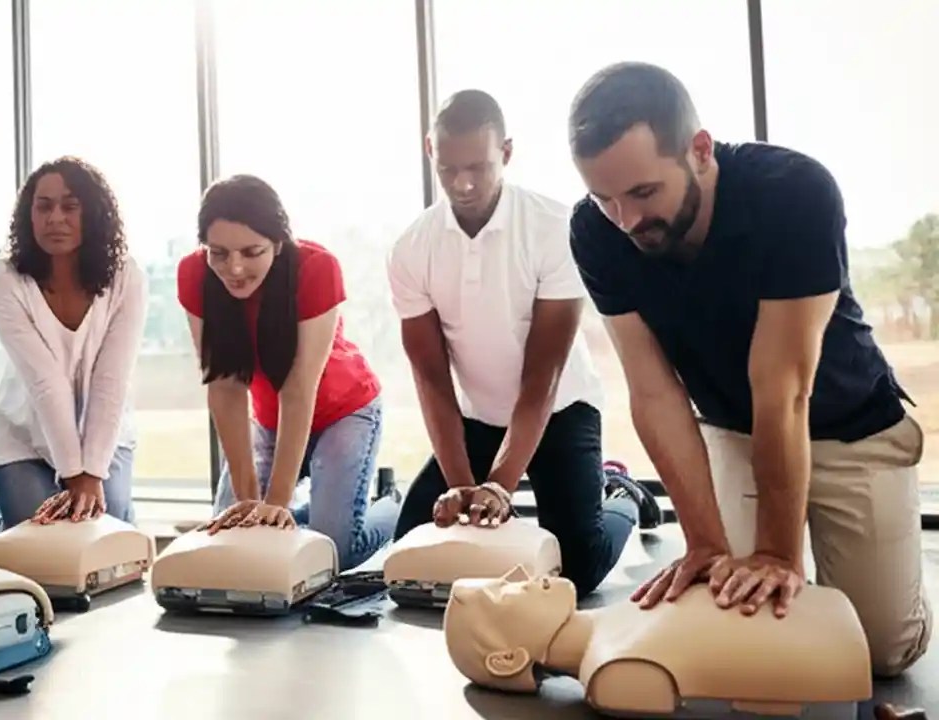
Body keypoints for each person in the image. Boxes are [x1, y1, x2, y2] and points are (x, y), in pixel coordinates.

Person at [566, 61, 931, 676]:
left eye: (644, 193)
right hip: (735, 430)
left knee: (878, 655)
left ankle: (898, 586)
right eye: (606, 200)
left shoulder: (793, 193)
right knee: (737, 618)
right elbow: (654, 392)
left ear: (700, 151)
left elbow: (785, 389)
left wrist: (777, 553)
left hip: (852, 426)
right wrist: (706, 541)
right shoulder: (594, 233)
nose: (626, 221)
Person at [386, 89, 662, 598]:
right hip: (477, 415)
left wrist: (499, 486)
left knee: (577, 568)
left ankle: (620, 494)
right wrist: (460, 487)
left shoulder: (555, 228)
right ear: (431, 152)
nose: (463, 183)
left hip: (560, 408)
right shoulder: (411, 248)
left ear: (506, 153)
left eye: (479, 166)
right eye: (448, 170)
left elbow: (543, 376)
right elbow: (430, 375)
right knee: (414, 550)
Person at [175, 174, 401, 571]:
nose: (235, 267)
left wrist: (276, 504)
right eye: (219, 253)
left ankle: (392, 504)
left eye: (251, 251)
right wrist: (249, 500)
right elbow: (225, 388)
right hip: (269, 419)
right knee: (235, 536)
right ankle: (310, 514)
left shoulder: (317, 268)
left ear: (278, 243)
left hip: (344, 410)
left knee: (335, 551)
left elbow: (298, 389)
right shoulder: (194, 275)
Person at [0, 156, 147, 538]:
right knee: (42, 540)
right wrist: (73, 474)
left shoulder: (126, 277)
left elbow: (111, 378)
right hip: (21, 434)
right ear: (29, 215)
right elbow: (45, 381)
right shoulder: (4, 280)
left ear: (94, 213)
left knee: (103, 533)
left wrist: (91, 474)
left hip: (104, 436)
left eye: (70, 206)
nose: (56, 218)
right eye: (44, 206)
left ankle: (109, 504)